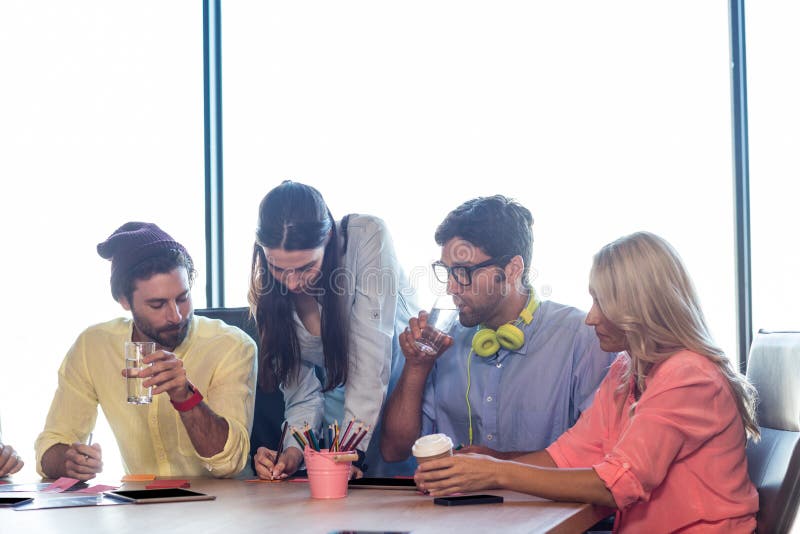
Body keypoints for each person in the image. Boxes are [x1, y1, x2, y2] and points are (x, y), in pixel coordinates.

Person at [414, 231, 759, 532]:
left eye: (602, 303)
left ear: (640, 308)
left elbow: (617, 485)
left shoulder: (689, 376)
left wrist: (495, 474)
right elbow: (569, 455)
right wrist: (473, 469)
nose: (591, 318)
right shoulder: (627, 370)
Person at [381, 195, 616, 462]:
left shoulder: (581, 337)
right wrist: (416, 367)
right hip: (454, 505)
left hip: (551, 505)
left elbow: (604, 452)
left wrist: (498, 466)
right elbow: (393, 451)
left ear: (513, 269)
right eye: (447, 271)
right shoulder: (445, 342)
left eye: (464, 271)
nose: (451, 287)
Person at [35, 222, 257, 480]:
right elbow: (50, 446)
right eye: (157, 304)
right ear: (124, 301)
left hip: (225, 509)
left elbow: (229, 464)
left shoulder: (231, 346)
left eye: (183, 298)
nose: (176, 316)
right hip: (141, 509)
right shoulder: (92, 346)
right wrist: (68, 462)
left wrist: (185, 397)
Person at [249, 181, 415, 479]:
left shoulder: (367, 237)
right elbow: (301, 395)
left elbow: (370, 358)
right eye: (277, 268)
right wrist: (293, 450)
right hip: (342, 414)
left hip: (401, 396)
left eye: (304, 267)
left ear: (327, 238)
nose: (291, 283)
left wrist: (350, 451)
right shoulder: (268, 296)